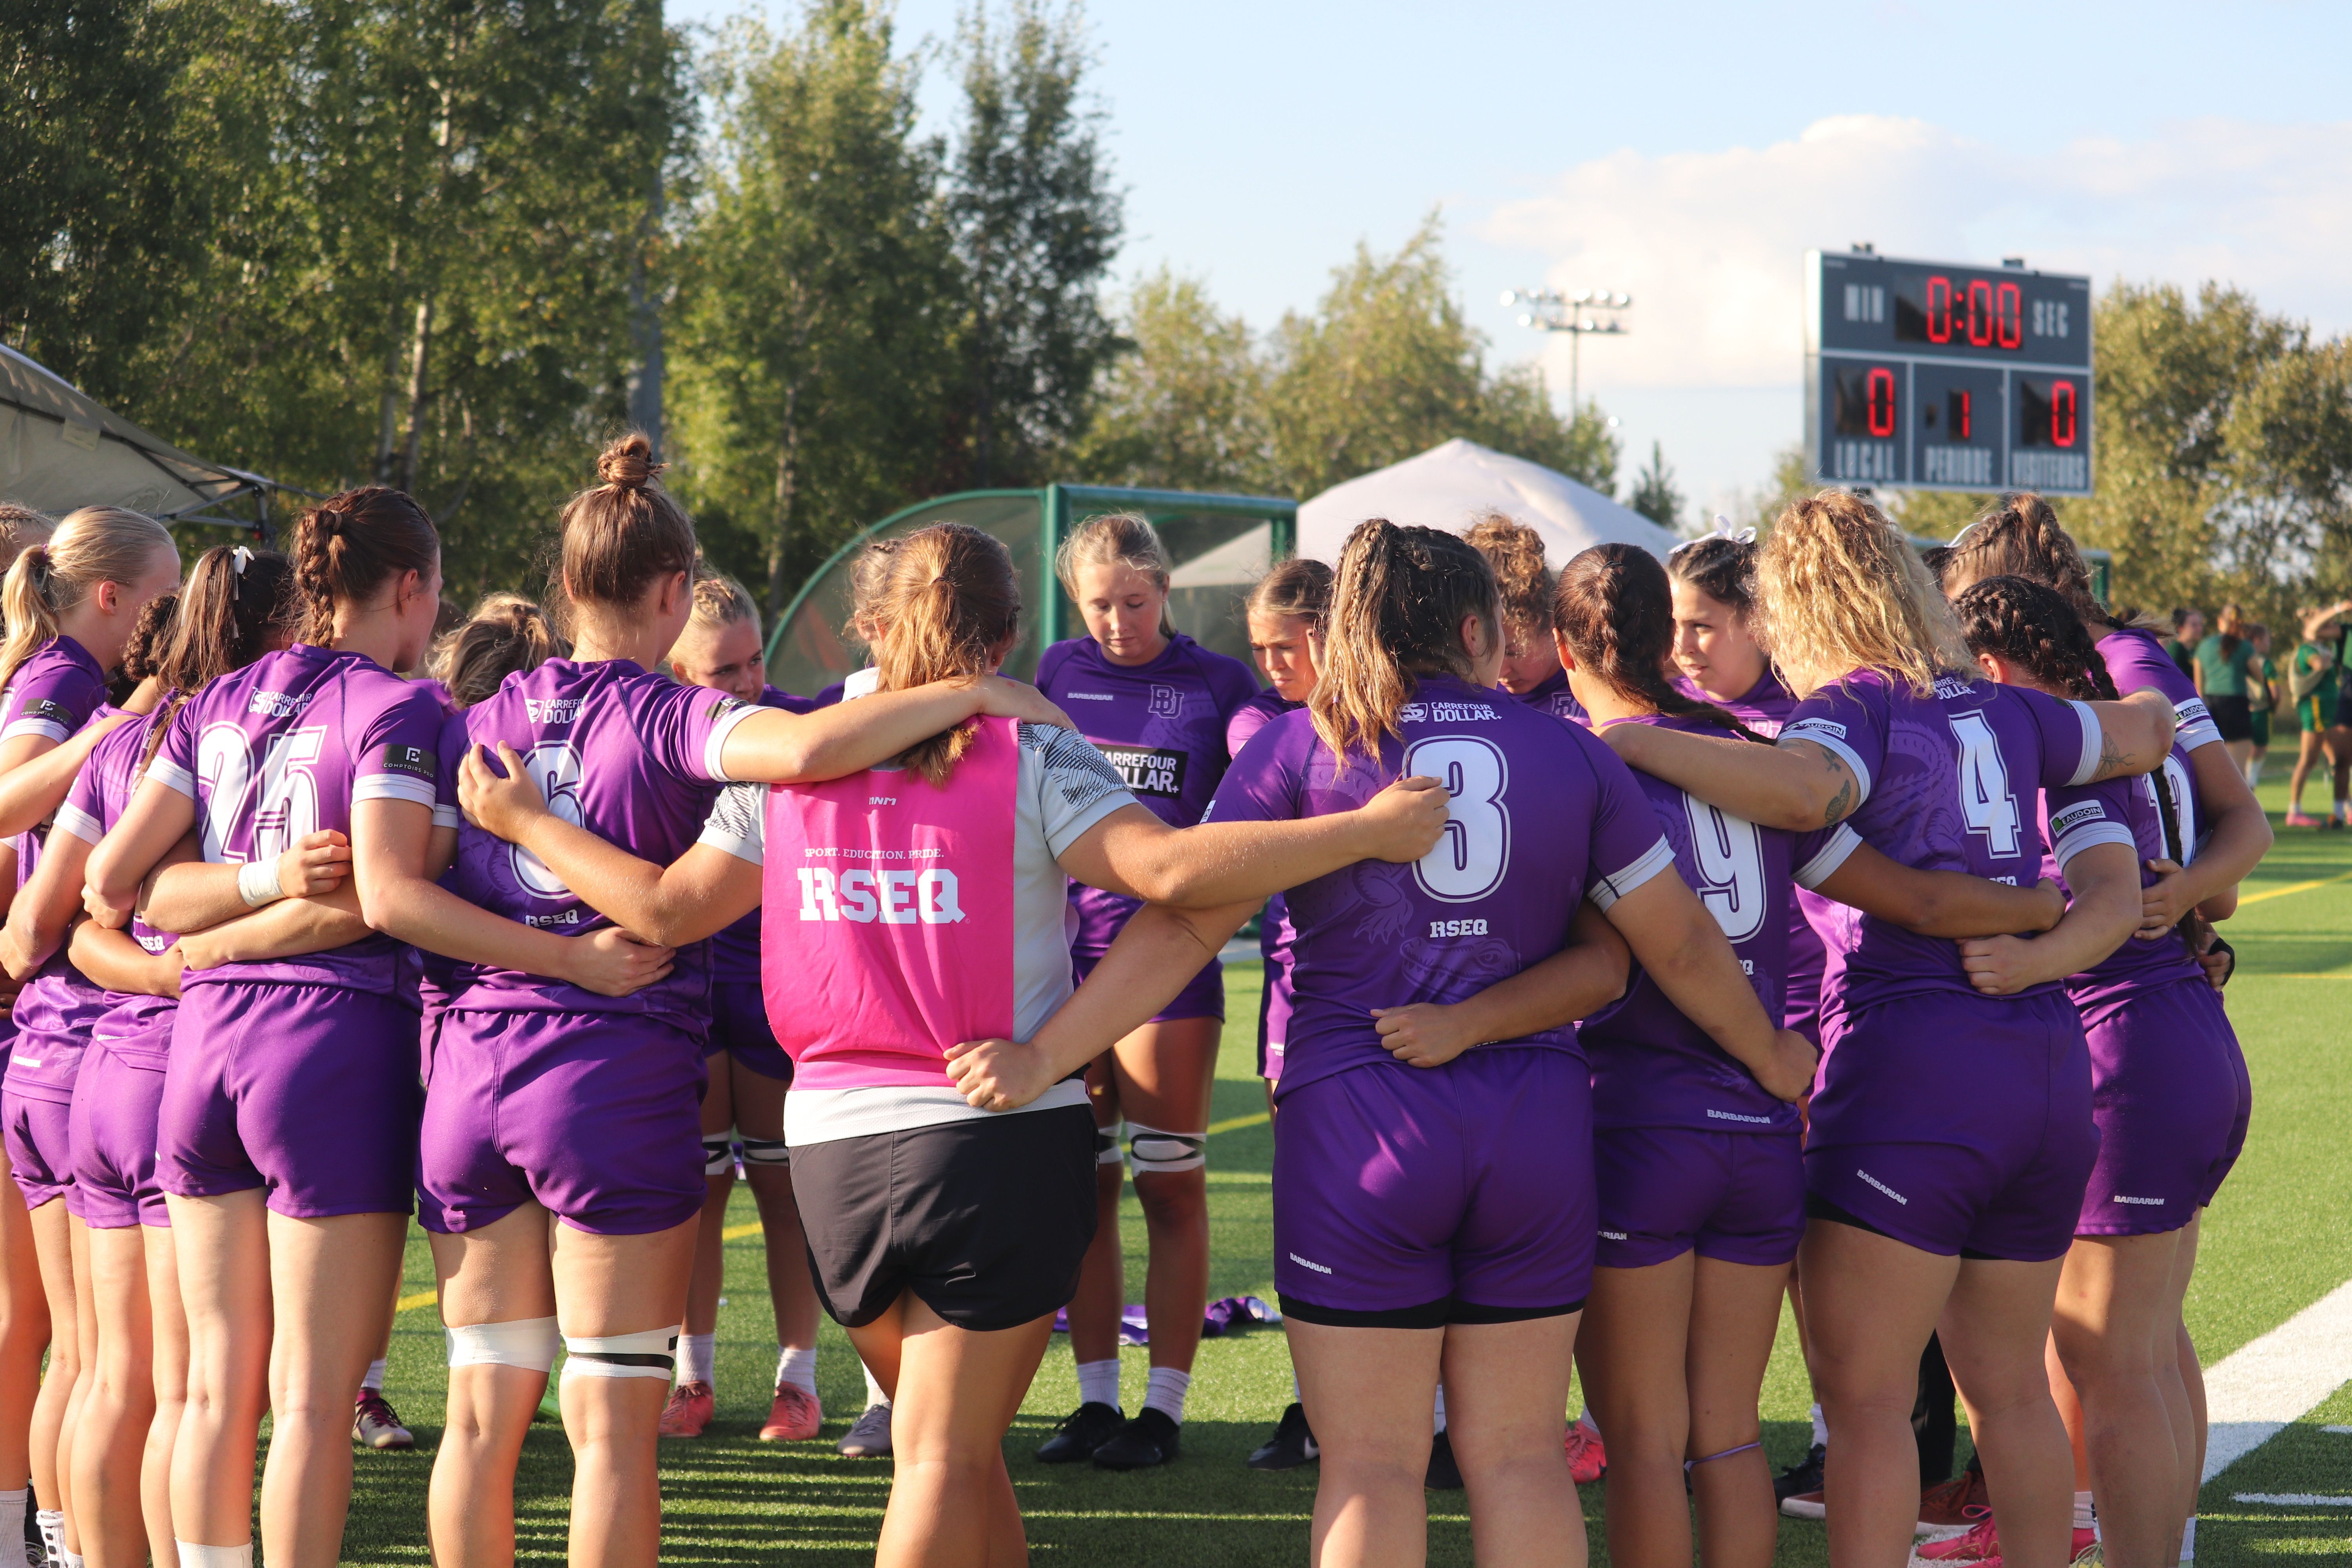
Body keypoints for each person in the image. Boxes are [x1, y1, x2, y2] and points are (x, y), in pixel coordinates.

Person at [452, 520, 1454, 1568]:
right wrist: (1362, 831)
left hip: (833, 1160)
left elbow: (661, 909)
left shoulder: (789, 755)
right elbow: (1170, 873)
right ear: (1010, 635)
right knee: (938, 1460)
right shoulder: (1026, 743)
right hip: (994, 1144)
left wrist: (528, 825)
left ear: (871, 628)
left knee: (958, 1455)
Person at [411, 444, 1077, 1568]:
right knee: (612, 1424)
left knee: (477, 1418)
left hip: (469, 1070)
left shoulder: (469, 721)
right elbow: (810, 749)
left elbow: (398, 896)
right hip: (605, 1076)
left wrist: (530, 936)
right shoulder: (674, 718)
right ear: (676, 596)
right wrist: (970, 688)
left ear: (565, 587)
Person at [1165, 518, 1826, 1568]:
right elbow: (1674, 950)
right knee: (1519, 1455)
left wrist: (1050, 1048)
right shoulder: (1570, 749)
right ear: (1480, 627)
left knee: (1371, 1466)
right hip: (1535, 1132)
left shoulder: (1306, 741)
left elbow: (1178, 900)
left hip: (1363, 1128)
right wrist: (1772, 1052)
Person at [1595, 491, 2174, 1568]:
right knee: (2011, 1396)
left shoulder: (1857, 703)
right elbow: (2144, 732)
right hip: (2045, 1065)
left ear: (1797, 600)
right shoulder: (2006, 706)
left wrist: (1631, 744)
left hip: (1916, 1070)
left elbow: (1807, 792)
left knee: (1865, 1409)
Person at [1921, 575, 2252, 1568]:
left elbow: (2099, 905)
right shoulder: (2097, 728)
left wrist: (2022, 951)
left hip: (2129, 1048)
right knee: (2143, 1351)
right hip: (2174, 1034)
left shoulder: (2053, 750)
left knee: (2110, 1365)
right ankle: (2161, 1546)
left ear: (1989, 669)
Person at [1032, 512, 1260, 1470]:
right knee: (1080, 1193)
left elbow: (1269, 753)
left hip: (1169, 961)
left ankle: (1162, 1409)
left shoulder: (1217, 683)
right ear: (1072, 602)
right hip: (1061, 968)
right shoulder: (1051, 673)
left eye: (1135, 600)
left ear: (1166, 590)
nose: (1119, 621)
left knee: (1170, 1185)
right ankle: (1093, 1400)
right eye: (1099, 604)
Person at [0, 506, 181, 1568]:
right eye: (163, 596)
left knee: (73, 1344)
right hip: (67, 1029)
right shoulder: (71, 680)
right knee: (79, 1344)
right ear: (112, 598)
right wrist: (115, 731)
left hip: (52, 1031)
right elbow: (10, 797)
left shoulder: (69, 674)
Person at [653, 573, 827, 1447]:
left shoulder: (791, 728)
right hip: (683, 989)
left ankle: (798, 1381)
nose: (751, 683)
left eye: (756, 660)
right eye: (725, 672)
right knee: (696, 1196)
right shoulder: (653, 734)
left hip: (774, 989)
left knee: (784, 1194)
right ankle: (694, 1377)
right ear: (678, 669)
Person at [1230, 558, 1330, 1475]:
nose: (1271, 664)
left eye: (1285, 646)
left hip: (1387, 995)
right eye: (1257, 649)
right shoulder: (1266, 725)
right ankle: (1315, 1401)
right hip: (1295, 1000)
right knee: (1304, 1199)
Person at [1464, 514, 1581, 723]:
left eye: (1512, 651)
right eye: (1484, 651)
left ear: (1554, 622)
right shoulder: (1470, 695)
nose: (1500, 670)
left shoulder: (1593, 691)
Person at [2284, 604, 2351, 827]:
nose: (2330, 626)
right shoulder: (2310, 649)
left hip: (2327, 712)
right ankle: (2295, 810)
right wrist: (2340, 608)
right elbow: (2318, 661)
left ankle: (2345, 809)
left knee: (2337, 759)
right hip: (2316, 710)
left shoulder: (2324, 648)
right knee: (2309, 759)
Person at [2192, 606, 2256, 779]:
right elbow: (2259, 676)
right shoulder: (2244, 647)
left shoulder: (2204, 646)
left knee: (2213, 768)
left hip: (2210, 705)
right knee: (2238, 768)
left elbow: (2199, 686)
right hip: (2236, 704)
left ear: (2220, 621)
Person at [2245, 624, 2274, 789]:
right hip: (2260, 711)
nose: (2270, 644)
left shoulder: (2236, 658)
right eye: (2268, 640)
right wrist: (2274, 705)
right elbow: (2275, 692)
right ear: (2257, 641)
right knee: (2258, 750)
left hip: (2240, 709)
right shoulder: (2264, 663)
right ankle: (2251, 785)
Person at [2159, 608, 2202, 679]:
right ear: (2181, 628)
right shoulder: (2176, 649)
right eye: (2194, 625)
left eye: (2200, 625)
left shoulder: (2194, 651)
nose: (2200, 629)